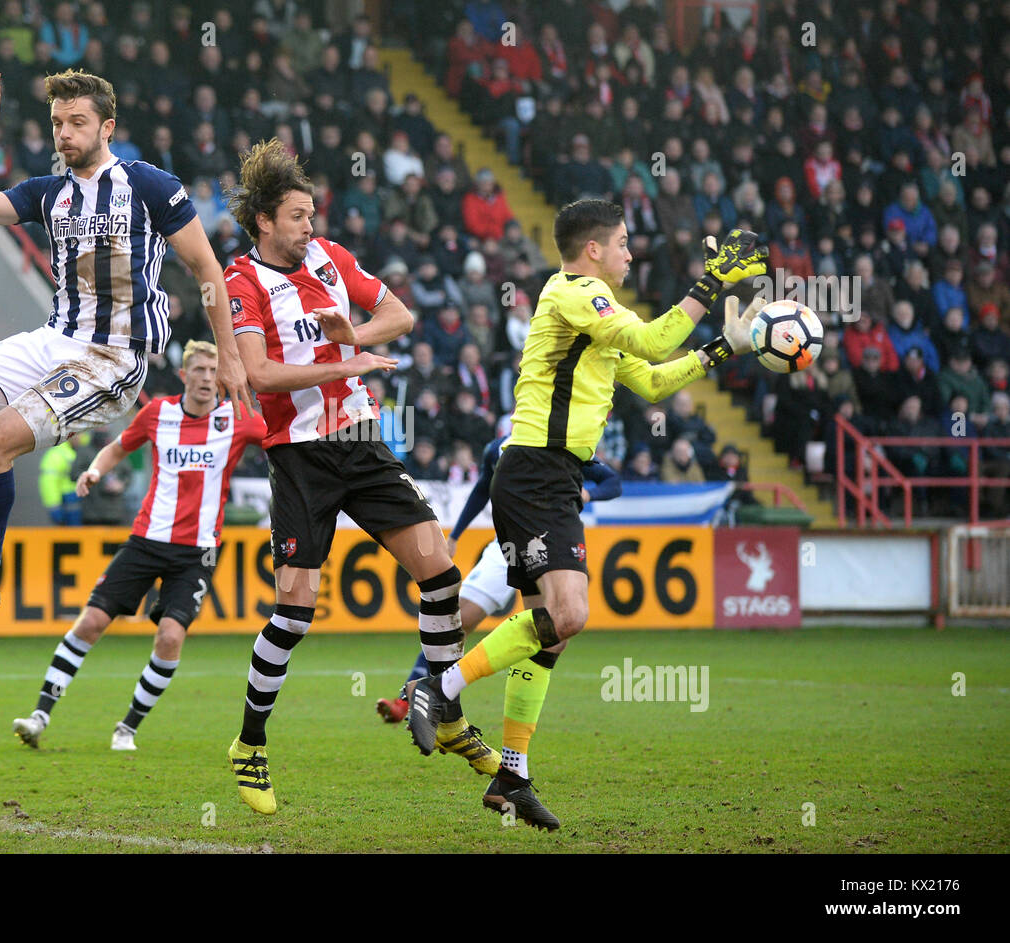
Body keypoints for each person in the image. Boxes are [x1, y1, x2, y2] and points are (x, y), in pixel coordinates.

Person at [404, 202, 768, 829]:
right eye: (624, 244)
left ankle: (511, 775)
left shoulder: (596, 324)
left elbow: (651, 380)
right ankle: (439, 689)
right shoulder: (575, 291)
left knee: (550, 629)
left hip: (548, 477)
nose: (631, 254)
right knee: (570, 613)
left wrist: (722, 349)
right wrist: (711, 284)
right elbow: (654, 337)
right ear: (594, 250)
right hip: (536, 472)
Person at [0, 68, 251, 640]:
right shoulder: (48, 193)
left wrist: (228, 354)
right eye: (57, 123)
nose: (65, 134)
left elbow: (207, 269)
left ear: (107, 127)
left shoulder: (149, 185)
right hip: (55, 338)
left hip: (115, 358)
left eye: (77, 122)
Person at [222, 138, 496, 816]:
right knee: (294, 609)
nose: (308, 225)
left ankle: (448, 709)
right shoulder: (240, 283)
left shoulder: (332, 258)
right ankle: (250, 744)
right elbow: (258, 376)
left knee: (440, 572)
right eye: (295, 216)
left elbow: (400, 315)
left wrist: (356, 338)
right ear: (263, 220)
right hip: (300, 456)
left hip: (362, 441)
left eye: (311, 213)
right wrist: (342, 363)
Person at [13, 341, 265, 750]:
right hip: (146, 540)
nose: (206, 378)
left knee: (169, 636)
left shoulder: (238, 419)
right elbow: (117, 447)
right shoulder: (157, 413)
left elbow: (282, 440)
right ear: (184, 376)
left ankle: (127, 727)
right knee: (92, 622)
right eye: (198, 370)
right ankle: (40, 715)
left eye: (213, 371)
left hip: (197, 551)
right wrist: (94, 472)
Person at [376, 436, 622, 744]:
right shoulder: (499, 448)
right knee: (460, 620)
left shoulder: (569, 441)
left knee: (553, 636)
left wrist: (590, 491)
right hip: (506, 545)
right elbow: (482, 490)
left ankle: (513, 757)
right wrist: (458, 534)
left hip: (550, 541)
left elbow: (613, 482)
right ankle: (412, 697)